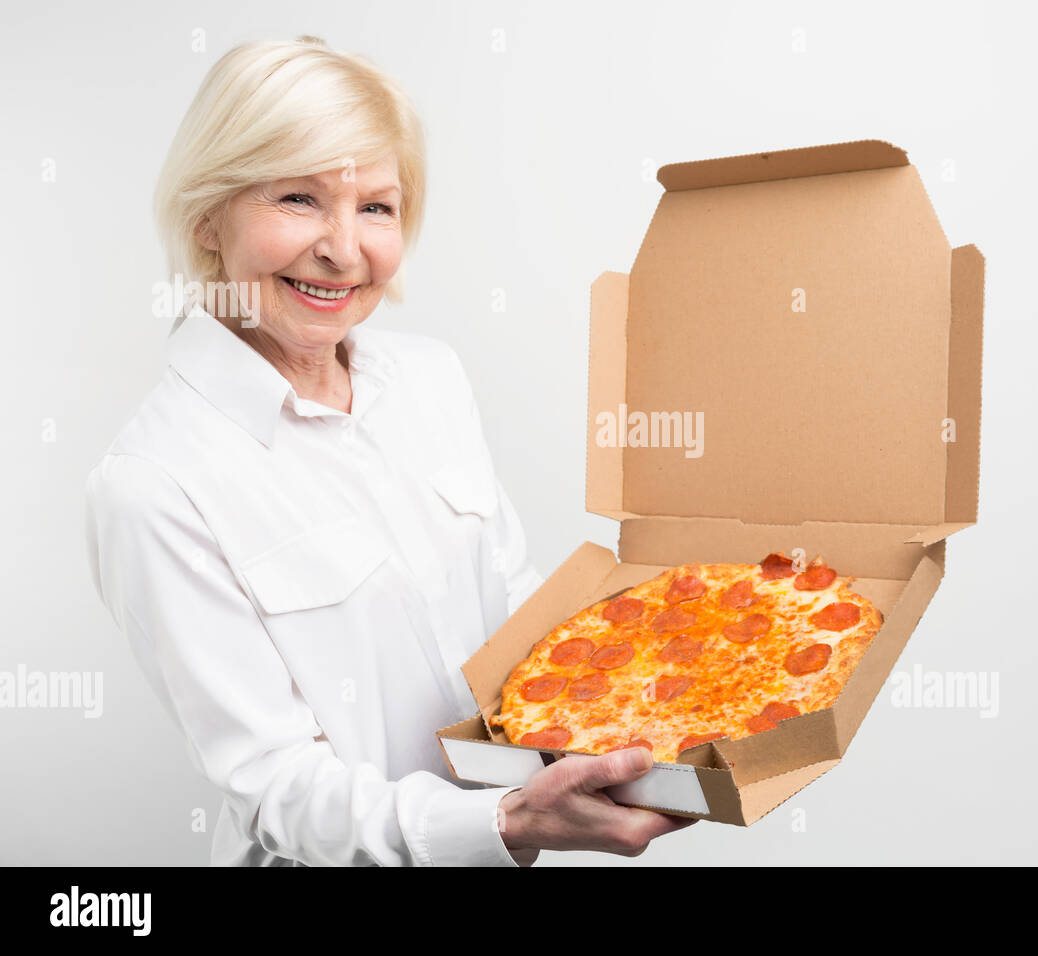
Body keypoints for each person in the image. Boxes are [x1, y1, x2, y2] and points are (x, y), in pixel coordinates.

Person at [83, 35, 691, 866]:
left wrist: (647, 678)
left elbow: (510, 614)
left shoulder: (431, 377)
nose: (343, 249)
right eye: (298, 197)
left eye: (377, 206)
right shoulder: (153, 484)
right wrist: (501, 824)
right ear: (206, 218)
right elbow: (275, 786)